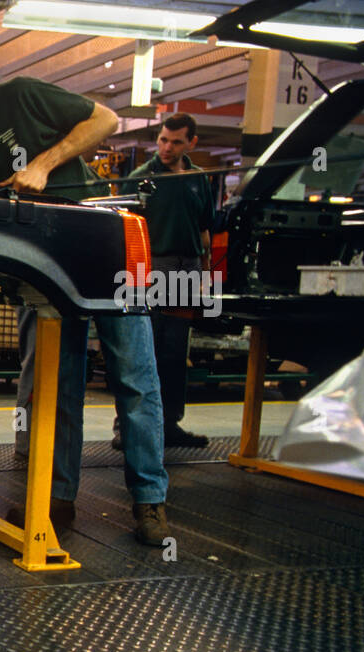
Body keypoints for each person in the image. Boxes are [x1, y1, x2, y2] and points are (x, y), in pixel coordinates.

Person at [0, 60, 171, 545]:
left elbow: (106, 120)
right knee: (54, 385)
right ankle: (56, 497)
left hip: (103, 247)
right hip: (43, 267)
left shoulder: (19, 96)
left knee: (134, 378)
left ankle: (150, 501)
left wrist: (43, 163)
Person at [113, 113, 216, 451]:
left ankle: (169, 424)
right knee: (144, 351)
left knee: (174, 353)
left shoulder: (201, 179)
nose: (167, 148)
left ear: (192, 143)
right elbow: (124, 229)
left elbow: (205, 229)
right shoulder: (142, 179)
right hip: (152, 268)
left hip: (187, 270)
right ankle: (125, 427)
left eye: (176, 142)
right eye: (163, 140)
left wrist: (205, 274)